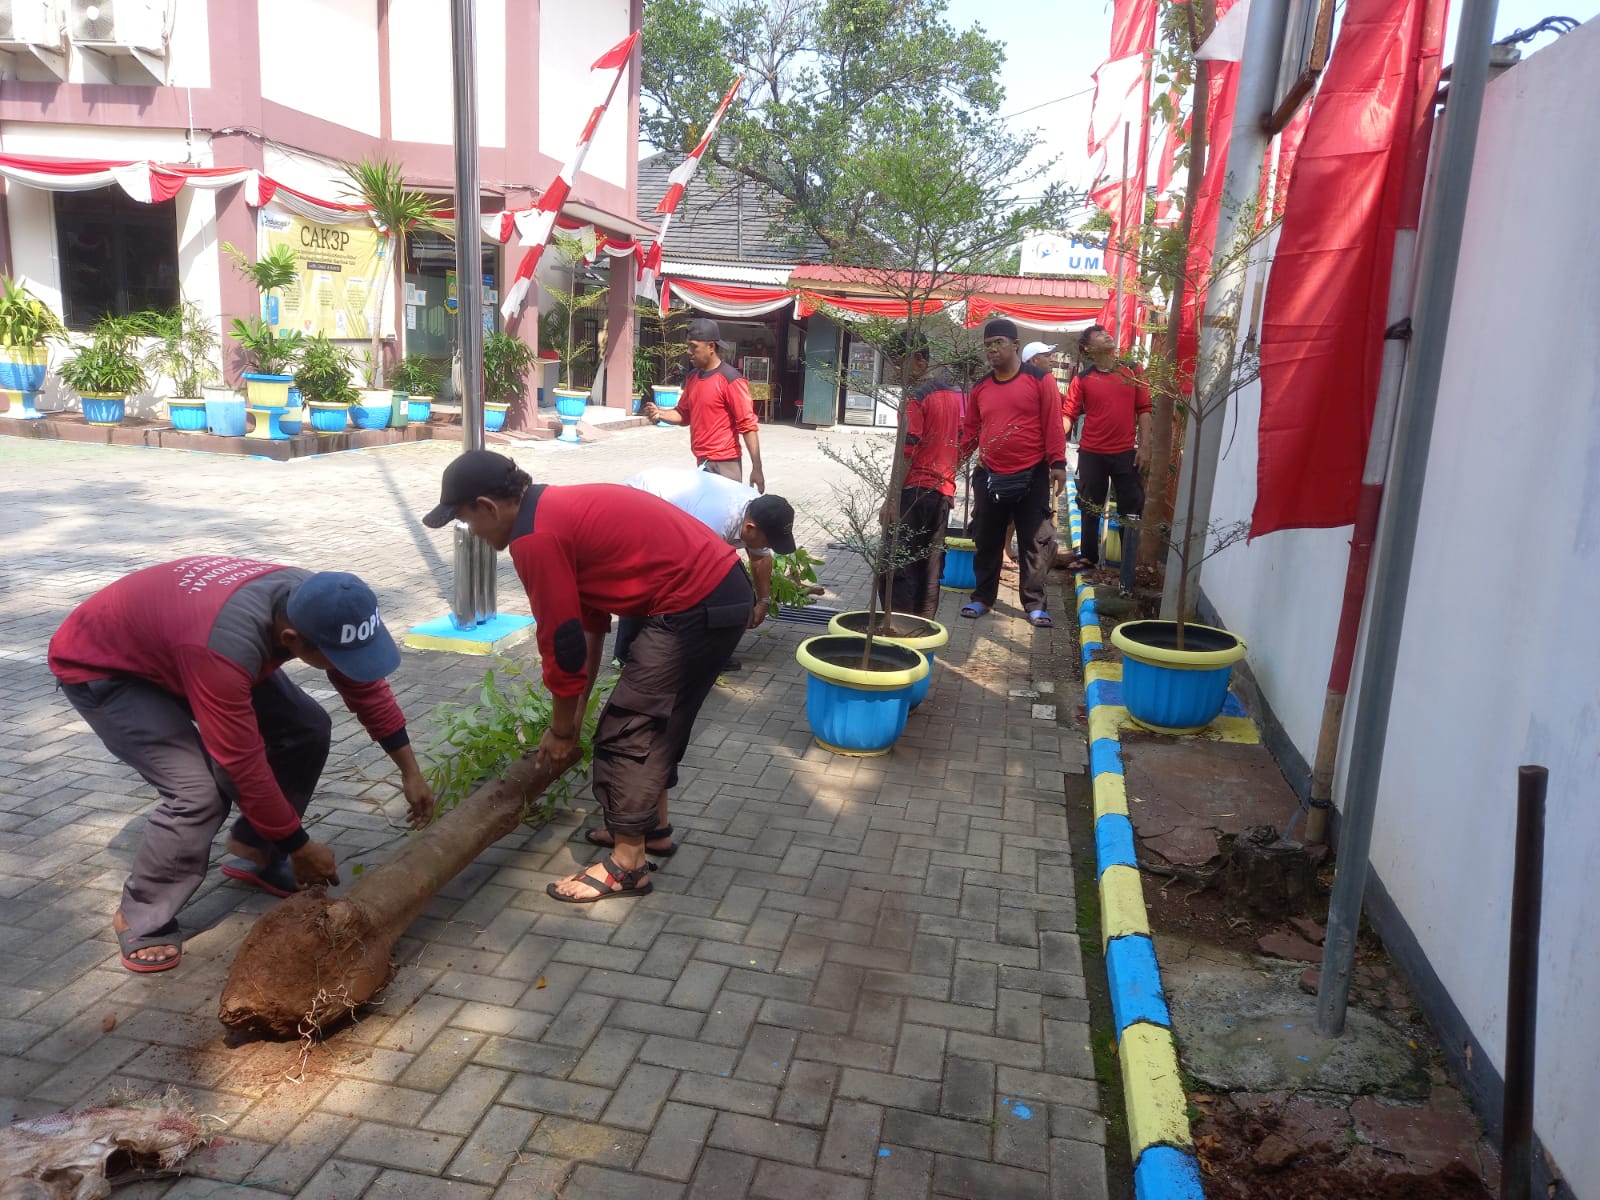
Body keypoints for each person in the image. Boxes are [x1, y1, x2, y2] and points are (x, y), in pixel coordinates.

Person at [48, 558, 434, 973]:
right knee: (197, 792)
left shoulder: (317, 603)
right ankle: (142, 916)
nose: (347, 667)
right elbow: (240, 764)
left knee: (306, 728)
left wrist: (409, 770)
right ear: (291, 639)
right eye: (336, 657)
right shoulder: (226, 647)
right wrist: (300, 846)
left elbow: (364, 686)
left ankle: (257, 852)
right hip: (109, 668)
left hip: (178, 645)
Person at [422, 450, 752, 901]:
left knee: (626, 730)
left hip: (694, 600)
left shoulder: (534, 536)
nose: (473, 532)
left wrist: (561, 733)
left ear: (487, 506)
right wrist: (574, 715)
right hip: (717, 591)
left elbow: (560, 640)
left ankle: (628, 865)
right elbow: (589, 626)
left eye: (466, 520)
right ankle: (650, 831)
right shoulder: (554, 510)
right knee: (658, 720)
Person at [615, 467, 798, 668]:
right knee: (649, 578)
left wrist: (763, 601)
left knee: (727, 591)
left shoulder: (761, 512)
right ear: (749, 528)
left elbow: (761, 559)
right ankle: (628, 652)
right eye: (768, 541)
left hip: (679, 509)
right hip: (639, 502)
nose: (769, 546)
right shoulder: (714, 523)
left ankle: (709, 651)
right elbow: (690, 579)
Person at [957, 318, 1068, 627]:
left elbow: (1052, 423)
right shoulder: (980, 387)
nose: (992, 351)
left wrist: (1058, 463)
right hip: (989, 475)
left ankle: (1034, 604)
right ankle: (982, 597)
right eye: (988, 346)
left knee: (1034, 542)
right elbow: (970, 432)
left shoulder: (1039, 379)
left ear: (1015, 345)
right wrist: (951, 461)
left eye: (999, 344)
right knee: (987, 539)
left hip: (1032, 475)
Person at [1061, 324, 1152, 597]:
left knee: (1131, 510)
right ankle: (1088, 557)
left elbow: (1145, 410)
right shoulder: (1083, 378)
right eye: (1100, 335)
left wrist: (1145, 446)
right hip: (1091, 453)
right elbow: (1070, 414)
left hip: (1126, 452)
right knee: (1090, 506)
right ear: (1088, 348)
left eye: (1107, 333)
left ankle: (1128, 566)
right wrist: (1054, 444)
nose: (1108, 336)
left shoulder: (1133, 370)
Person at [880, 329, 965, 620]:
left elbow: (907, 451)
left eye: (896, 362)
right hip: (943, 493)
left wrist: (891, 499)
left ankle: (900, 631)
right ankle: (923, 628)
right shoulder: (953, 395)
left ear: (917, 361)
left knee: (898, 566)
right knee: (930, 567)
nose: (893, 370)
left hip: (914, 492)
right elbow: (963, 442)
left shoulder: (915, 398)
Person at [641, 317, 766, 491]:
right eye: (688, 346)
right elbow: (684, 414)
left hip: (725, 465)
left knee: (722, 517)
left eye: (694, 346)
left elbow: (748, 425)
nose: (689, 351)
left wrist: (757, 467)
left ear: (711, 347)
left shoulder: (731, 380)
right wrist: (659, 413)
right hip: (701, 463)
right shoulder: (693, 377)